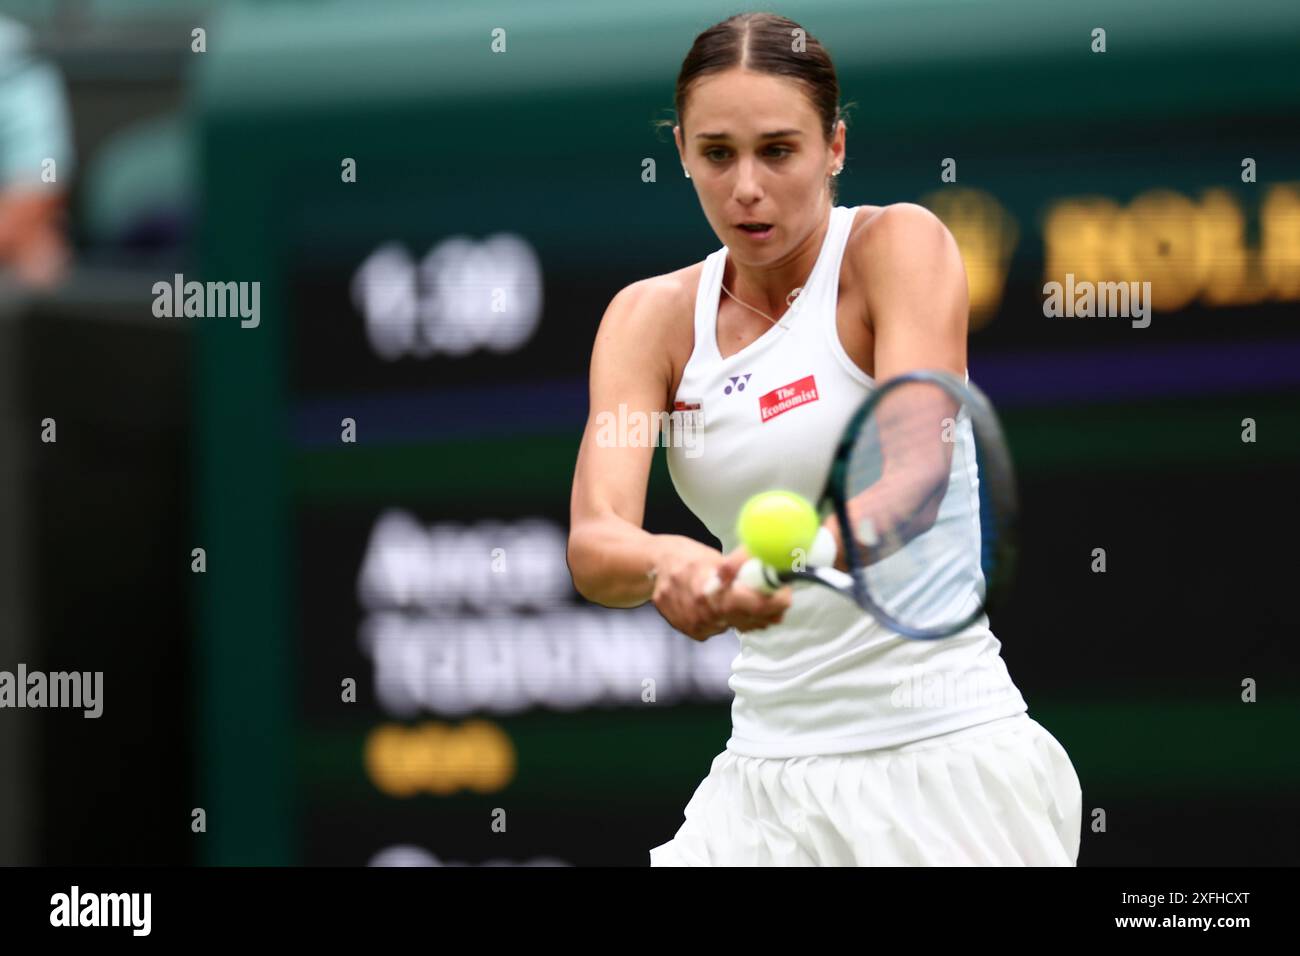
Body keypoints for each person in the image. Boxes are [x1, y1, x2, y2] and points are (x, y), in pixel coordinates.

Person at [566, 12, 1081, 866]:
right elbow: (595, 540)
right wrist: (674, 564)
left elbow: (913, 473)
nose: (747, 187)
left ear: (835, 146)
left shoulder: (900, 246)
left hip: (943, 767)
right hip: (760, 785)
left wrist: (795, 554)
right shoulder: (645, 319)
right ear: (683, 153)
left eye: (779, 150)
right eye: (717, 153)